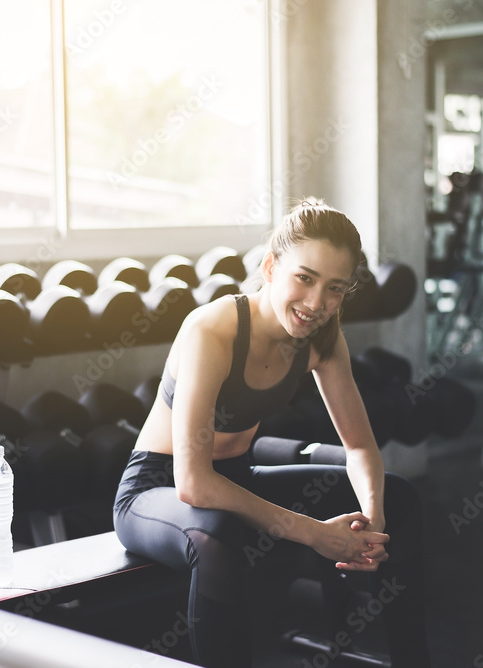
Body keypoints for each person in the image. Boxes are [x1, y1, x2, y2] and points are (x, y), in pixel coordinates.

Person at [113, 198, 431, 667]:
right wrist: (316, 535)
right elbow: (194, 484)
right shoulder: (212, 331)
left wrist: (372, 527)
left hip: (238, 478)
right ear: (270, 267)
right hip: (158, 491)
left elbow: (360, 446)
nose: (317, 304)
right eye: (305, 278)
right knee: (215, 536)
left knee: (399, 498)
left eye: (335, 288)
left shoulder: (323, 337)